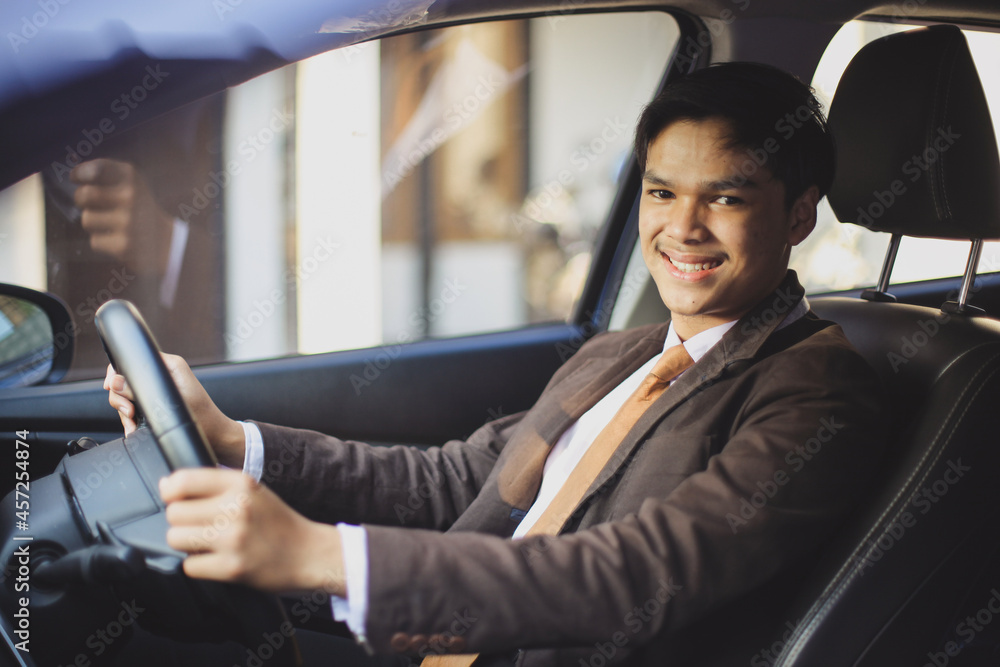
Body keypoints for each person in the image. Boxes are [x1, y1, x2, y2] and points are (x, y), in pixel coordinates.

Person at [105, 61, 885, 666]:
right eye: (660, 191)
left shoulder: (816, 391)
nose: (682, 227)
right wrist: (236, 441)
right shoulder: (623, 353)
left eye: (726, 198)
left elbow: (640, 573)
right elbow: (454, 482)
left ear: (798, 214)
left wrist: (324, 556)